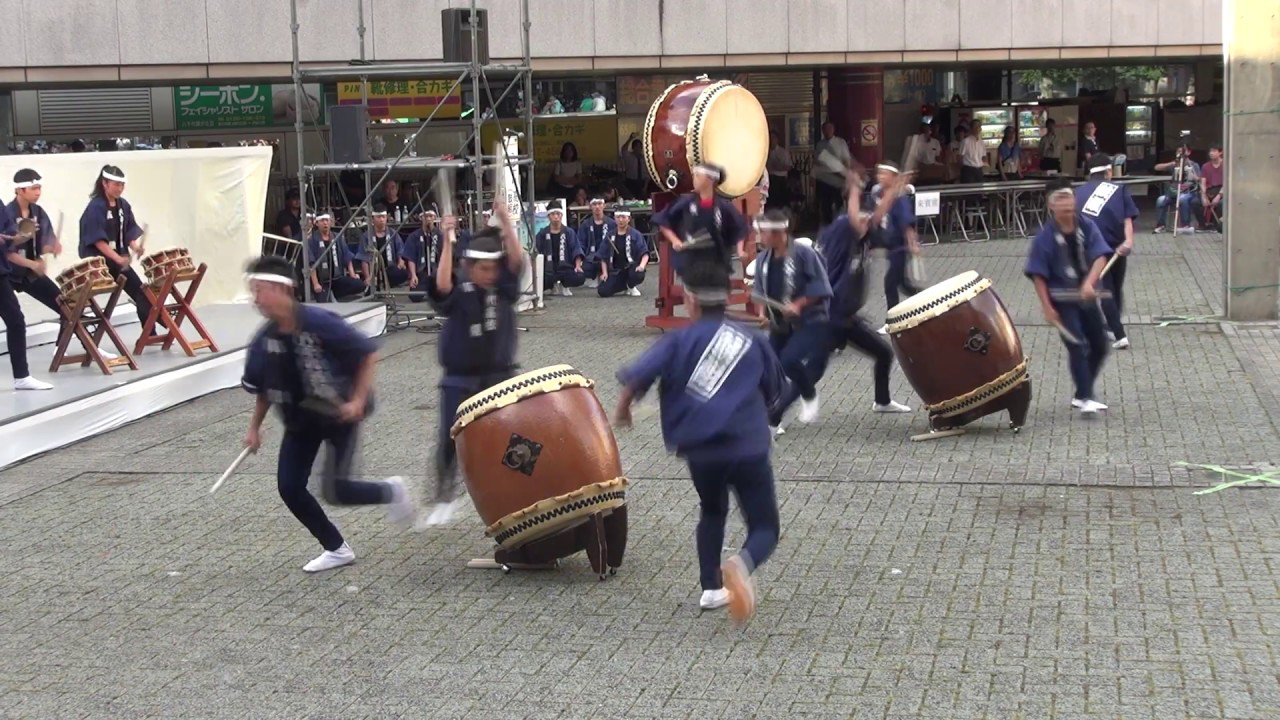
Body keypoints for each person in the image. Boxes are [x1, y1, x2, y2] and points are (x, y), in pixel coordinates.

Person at [614, 256, 786, 624]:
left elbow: (636, 380)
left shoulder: (677, 341)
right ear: (728, 297)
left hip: (701, 450)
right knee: (765, 527)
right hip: (747, 445)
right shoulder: (751, 339)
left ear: (689, 298)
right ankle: (741, 565)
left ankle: (710, 588)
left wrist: (625, 409)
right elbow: (775, 392)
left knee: (712, 510)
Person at [240, 255, 415, 573]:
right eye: (253, 291)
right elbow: (263, 387)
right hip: (298, 421)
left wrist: (358, 400)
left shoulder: (320, 323)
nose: (256, 299)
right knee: (289, 488)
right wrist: (254, 429)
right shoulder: (263, 341)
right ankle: (336, 548)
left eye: (260, 290)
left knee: (337, 490)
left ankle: (392, 490)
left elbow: (367, 353)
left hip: (339, 413)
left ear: (283, 289)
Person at [421, 199, 525, 526]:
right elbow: (440, 285)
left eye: (494, 268)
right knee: (449, 440)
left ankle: (521, 493)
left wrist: (506, 221)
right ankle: (444, 498)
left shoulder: (502, 288)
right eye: (484, 268)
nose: (490, 274)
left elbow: (518, 261)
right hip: (459, 379)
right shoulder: (460, 286)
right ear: (470, 266)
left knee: (513, 438)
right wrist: (447, 239)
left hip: (499, 376)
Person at [817, 167, 912, 415]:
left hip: (846, 317)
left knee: (883, 353)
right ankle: (773, 415)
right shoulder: (841, 232)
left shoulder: (860, 235)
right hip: (831, 316)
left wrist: (894, 189)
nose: (866, 221)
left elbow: (877, 214)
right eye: (861, 217)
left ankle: (882, 401)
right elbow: (855, 217)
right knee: (811, 368)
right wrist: (856, 189)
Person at [1025, 178, 1112, 415]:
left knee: (1100, 345)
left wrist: (1089, 282)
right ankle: (1085, 396)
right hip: (1062, 300)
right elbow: (1038, 274)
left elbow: (1101, 257)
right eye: (1060, 201)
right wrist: (1046, 307)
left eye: (1069, 199)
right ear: (1051, 206)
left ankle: (1081, 393)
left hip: (1086, 296)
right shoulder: (1045, 237)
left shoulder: (1087, 226)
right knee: (1077, 345)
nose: (1066, 205)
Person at [750, 209, 833, 433]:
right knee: (770, 367)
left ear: (780, 233)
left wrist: (799, 304)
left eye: (764, 233)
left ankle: (808, 393)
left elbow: (821, 286)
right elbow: (760, 292)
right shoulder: (762, 260)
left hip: (810, 320)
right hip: (780, 323)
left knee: (789, 359)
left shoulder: (804, 254)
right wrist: (762, 313)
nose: (760, 237)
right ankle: (773, 421)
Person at [77, 164, 156, 328]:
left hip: (118, 261)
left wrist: (135, 247)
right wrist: (118, 258)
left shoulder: (123, 205)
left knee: (142, 294)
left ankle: (151, 332)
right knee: (82, 302)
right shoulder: (96, 207)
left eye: (122, 185)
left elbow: (127, 231)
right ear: (104, 184)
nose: (120, 189)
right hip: (99, 263)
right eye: (116, 185)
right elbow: (98, 240)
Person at [1075, 153, 1137, 350]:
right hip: (1118, 248)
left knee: (1106, 289)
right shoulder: (1119, 189)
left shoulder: (1077, 193)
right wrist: (1128, 241)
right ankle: (1113, 328)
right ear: (1108, 171)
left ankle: (1117, 333)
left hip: (1092, 249)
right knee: (1114, 288)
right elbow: (1128, 219)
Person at [652, 163, 747, 281]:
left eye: (697, 176)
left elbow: (739, 227)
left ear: (710, 179)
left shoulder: (723, 206)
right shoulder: (685, 202)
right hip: (691, 260)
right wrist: (675, 240)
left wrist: (740, 250)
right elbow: (663, 220)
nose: (694, 180)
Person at [870, 163, 922, 334]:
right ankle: (926, 301)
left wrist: (912, 242)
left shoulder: (900, 198)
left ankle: (893, 322)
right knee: (904, 285)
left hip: (900, 247)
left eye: (884, 174)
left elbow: (906, 223)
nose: (880, 177)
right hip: (890, 246)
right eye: (879, 173)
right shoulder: (883, 194)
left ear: (892, 177)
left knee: (890, 284)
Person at [535, 202, 584, 297]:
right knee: (538, 282)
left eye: (558, 214)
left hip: (565, 268)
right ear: (548, 216)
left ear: (561, 215)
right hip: (549, 270)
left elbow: (576, 249)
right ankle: (552, 286)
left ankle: (565, 285)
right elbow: (536, 250)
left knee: (580, 277)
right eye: (553, 214)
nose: (556, 217)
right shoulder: (542, 233)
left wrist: (578, 266)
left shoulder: (569, 232)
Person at [596, 209, 649, 298]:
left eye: (623, 217)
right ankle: (625, 286)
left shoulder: (636, 234)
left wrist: (642, 266)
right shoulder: (609, 235)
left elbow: (645, 253)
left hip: (631, 268)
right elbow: (603, 256)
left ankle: (631, 285)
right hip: (616, 271)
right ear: (614, 219)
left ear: (629, 219)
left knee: (637, 274)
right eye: (618, 217)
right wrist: (604, 273)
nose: (620, 220)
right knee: (603, 291)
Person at [360, 205, 409, 289]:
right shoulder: (366, 236)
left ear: (387, 218)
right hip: (374, 270)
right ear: (373, 219)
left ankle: (384, 282)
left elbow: (400, 251)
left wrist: (401, 261)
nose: (381, 220)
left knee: (403, 274)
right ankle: (378, 283)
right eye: (378, 217)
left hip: (390, 269)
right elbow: (364, 259)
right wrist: (368, 277)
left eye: (383, 217)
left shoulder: (393, 233)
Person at [576, 198, 615, 289]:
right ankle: (594, 277)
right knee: (583, 270)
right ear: (590, 206)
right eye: (594, 204)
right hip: (591, 257)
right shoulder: (585, 224)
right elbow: (580, 243)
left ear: (604, 206)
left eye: (600, 204)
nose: (597, 207)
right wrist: (580, 259)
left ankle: (605, 276)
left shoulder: (612, 224)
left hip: (607, 257)